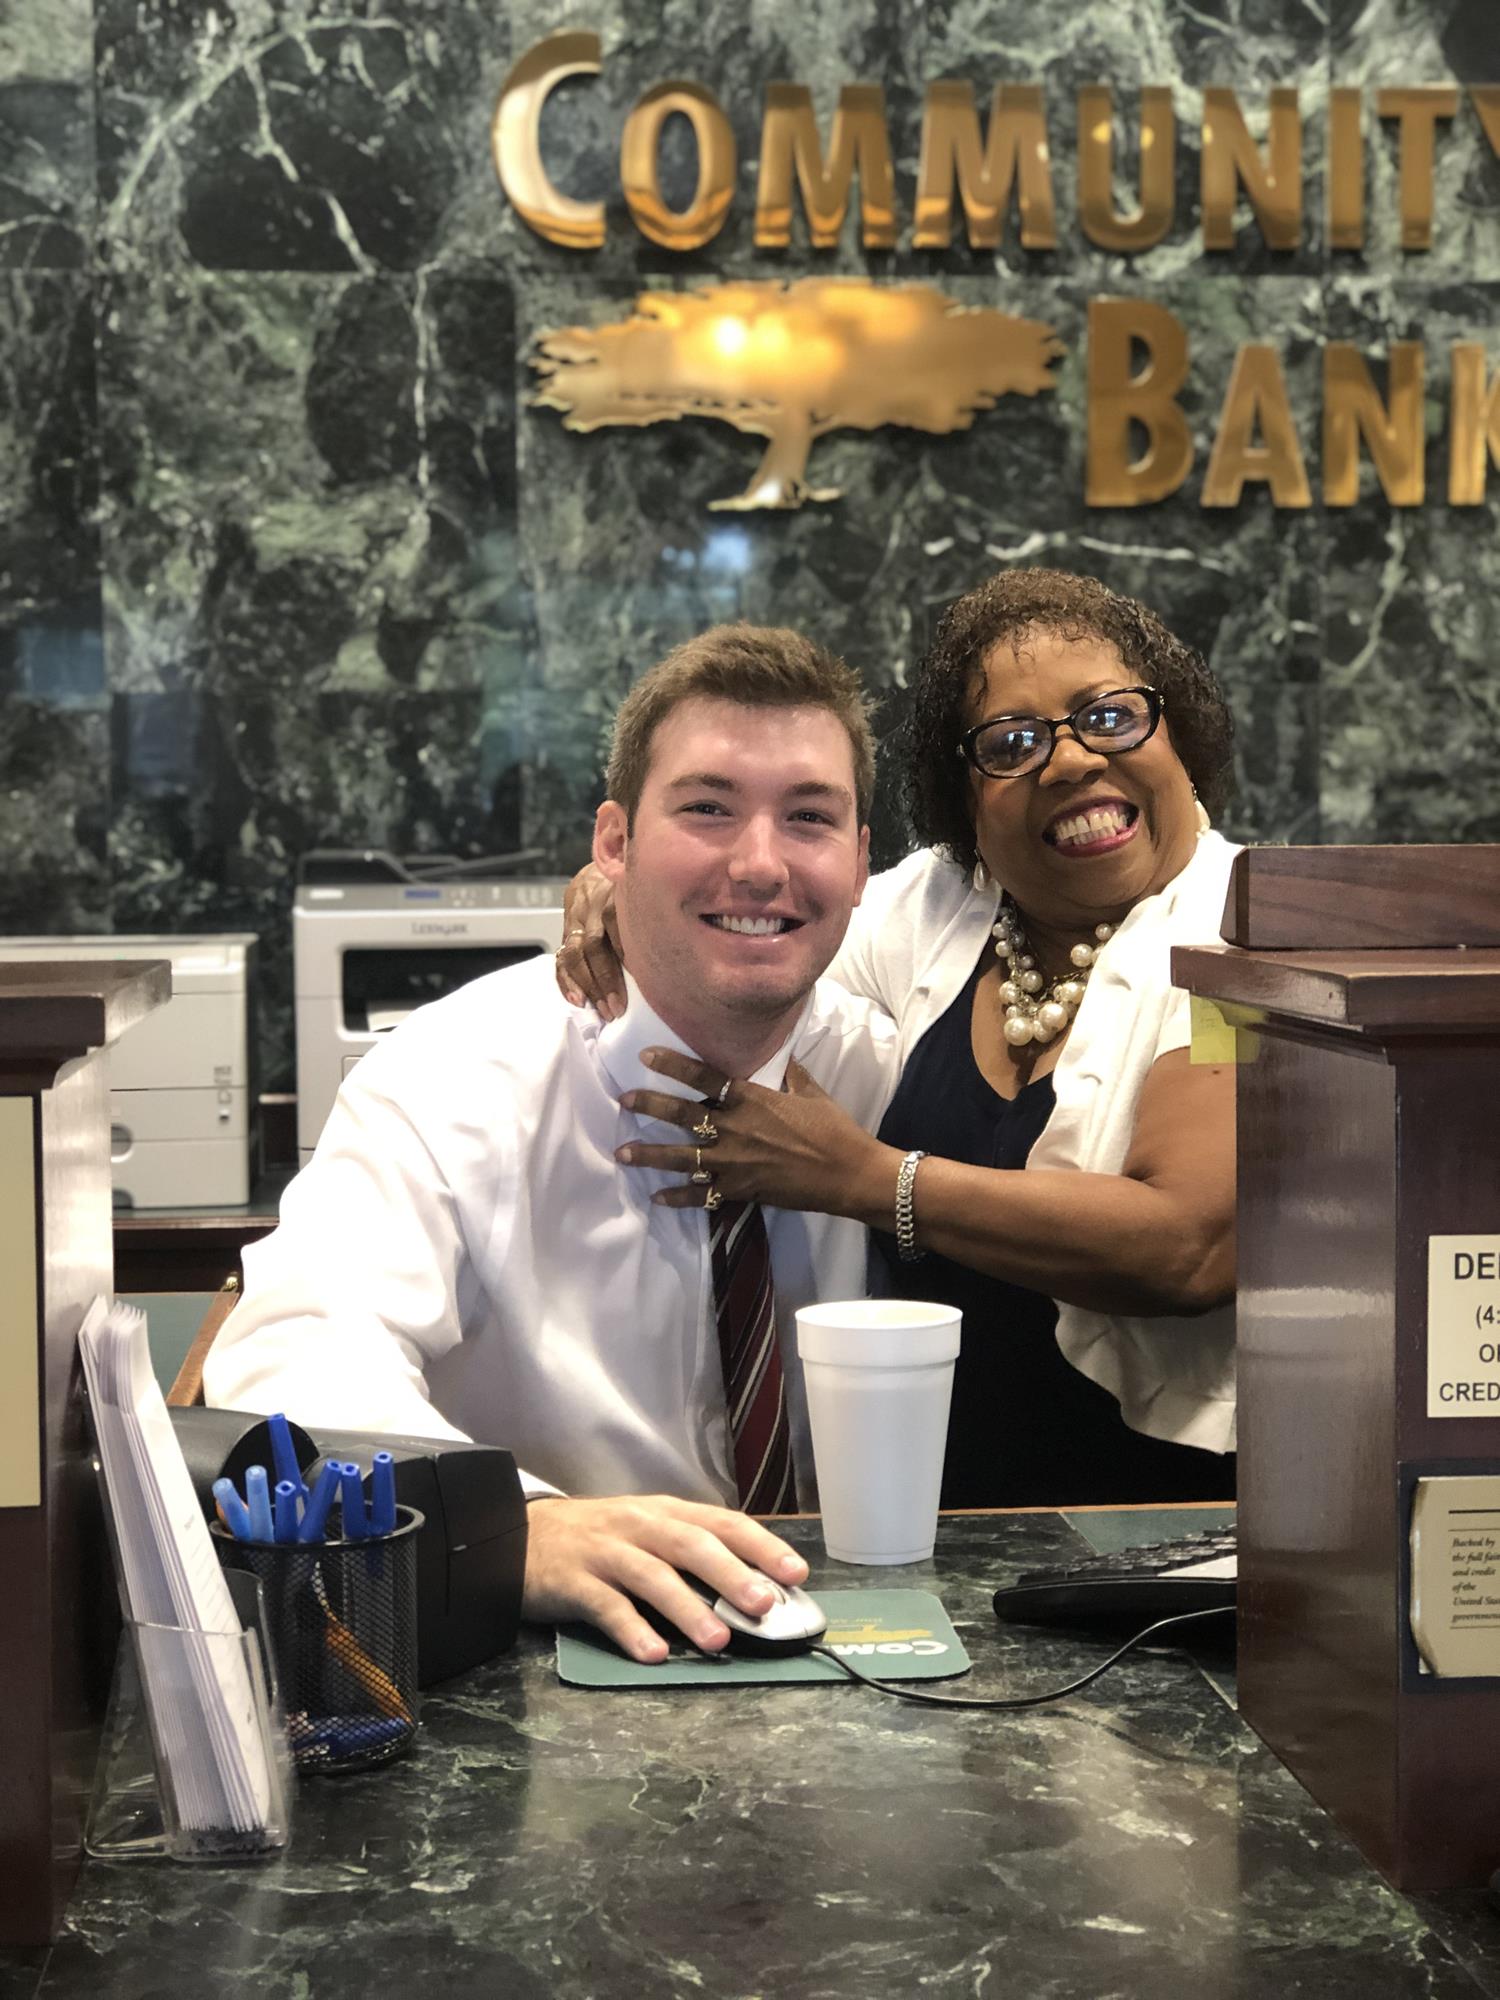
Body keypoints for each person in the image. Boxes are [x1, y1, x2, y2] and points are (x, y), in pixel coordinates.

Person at [205, 625, 899, 1660]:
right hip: (557, 1678)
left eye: (809, 818)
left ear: (860, 863)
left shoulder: (888, 1078)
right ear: (613, 845)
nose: (760, 863)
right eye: (707, 807)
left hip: (865, 1638)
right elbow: (289, 1358)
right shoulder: (453, 1077)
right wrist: (509, 1527)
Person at [559, 569, 1241, 1508]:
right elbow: (764, 929)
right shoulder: (939, 909)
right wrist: (632, 889)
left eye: (1111, 716)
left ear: (1179, 734)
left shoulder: (1240, 935)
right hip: (931, 1513)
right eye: (1012, 743)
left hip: (1161, 1528)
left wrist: (864, 1179)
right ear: (964, 803)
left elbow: (1187, 1249)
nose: (1074, 760)